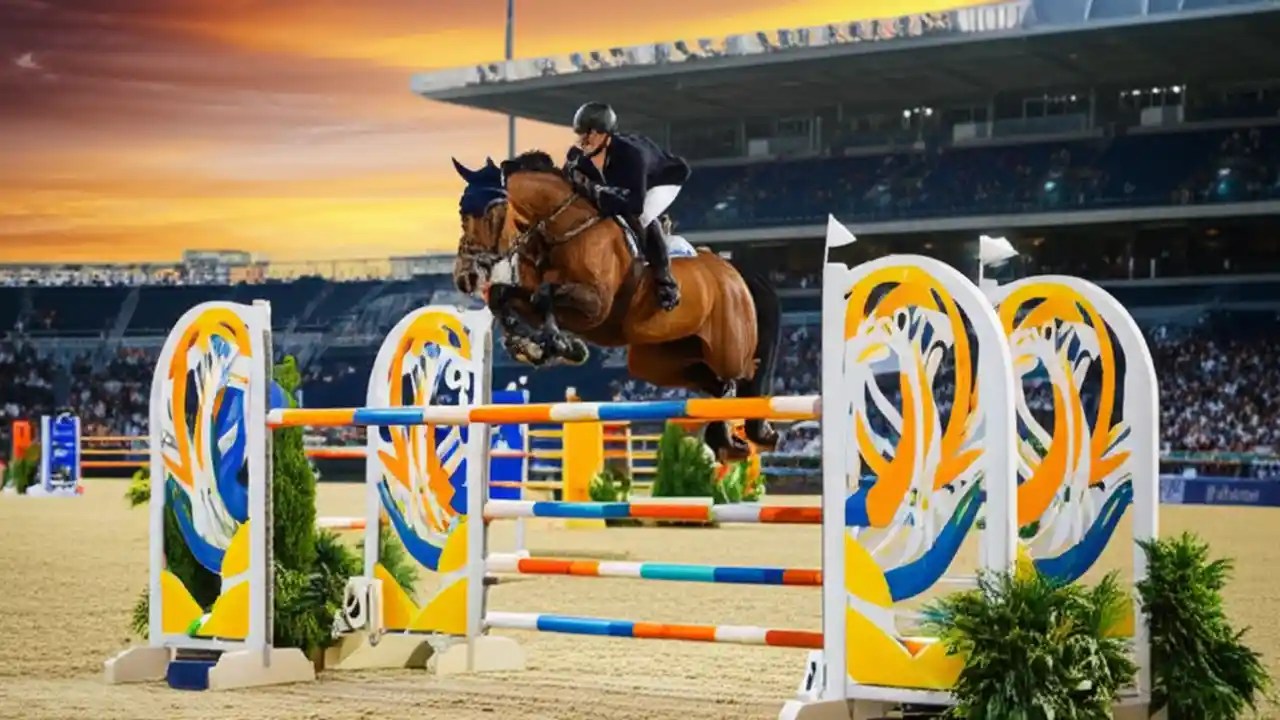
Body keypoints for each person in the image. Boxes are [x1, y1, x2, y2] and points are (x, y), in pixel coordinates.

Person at [564, 101, 690, 311]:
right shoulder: (581, 158)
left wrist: (596, 191)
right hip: (625, 184)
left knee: (641, 218)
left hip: (663, 181)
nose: (583, 140)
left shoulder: (631, 156)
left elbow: (634, 205)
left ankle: (665, 281)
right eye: (582, 133)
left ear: (605, 134)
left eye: (589, 134)